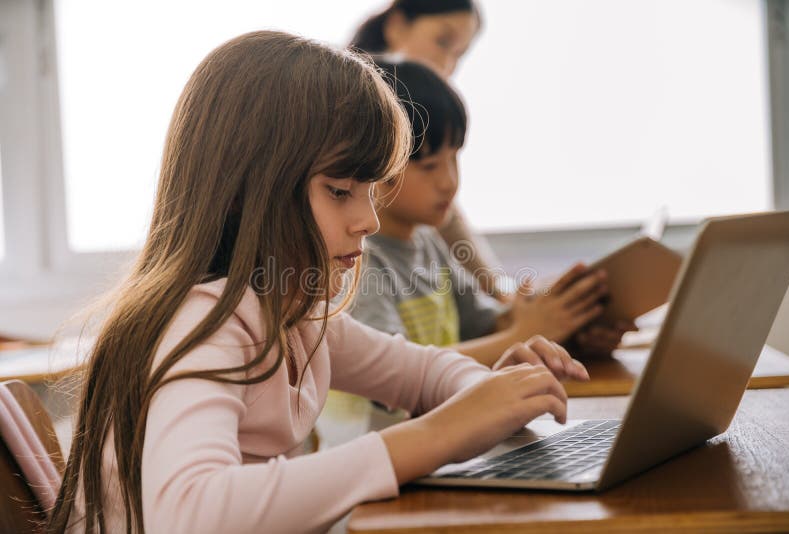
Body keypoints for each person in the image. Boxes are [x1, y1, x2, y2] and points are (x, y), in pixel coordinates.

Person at [47, 31, 589, 534]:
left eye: (371, 191)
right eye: (339, 192)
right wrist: (436, 435)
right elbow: (190, 511)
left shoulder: (297, 316)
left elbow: (422, 372)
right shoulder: (204, 323)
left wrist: (489, 393)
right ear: (244, 191)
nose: (370, 221)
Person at [351, 2, 634, 354]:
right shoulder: (358, 261)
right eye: (430, 166)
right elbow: (399, 374)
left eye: (455, 160)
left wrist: (561, 322)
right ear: (377, 168)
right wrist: (523, 333)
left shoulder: (427, 242)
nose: (449, 183)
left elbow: (487, 323)